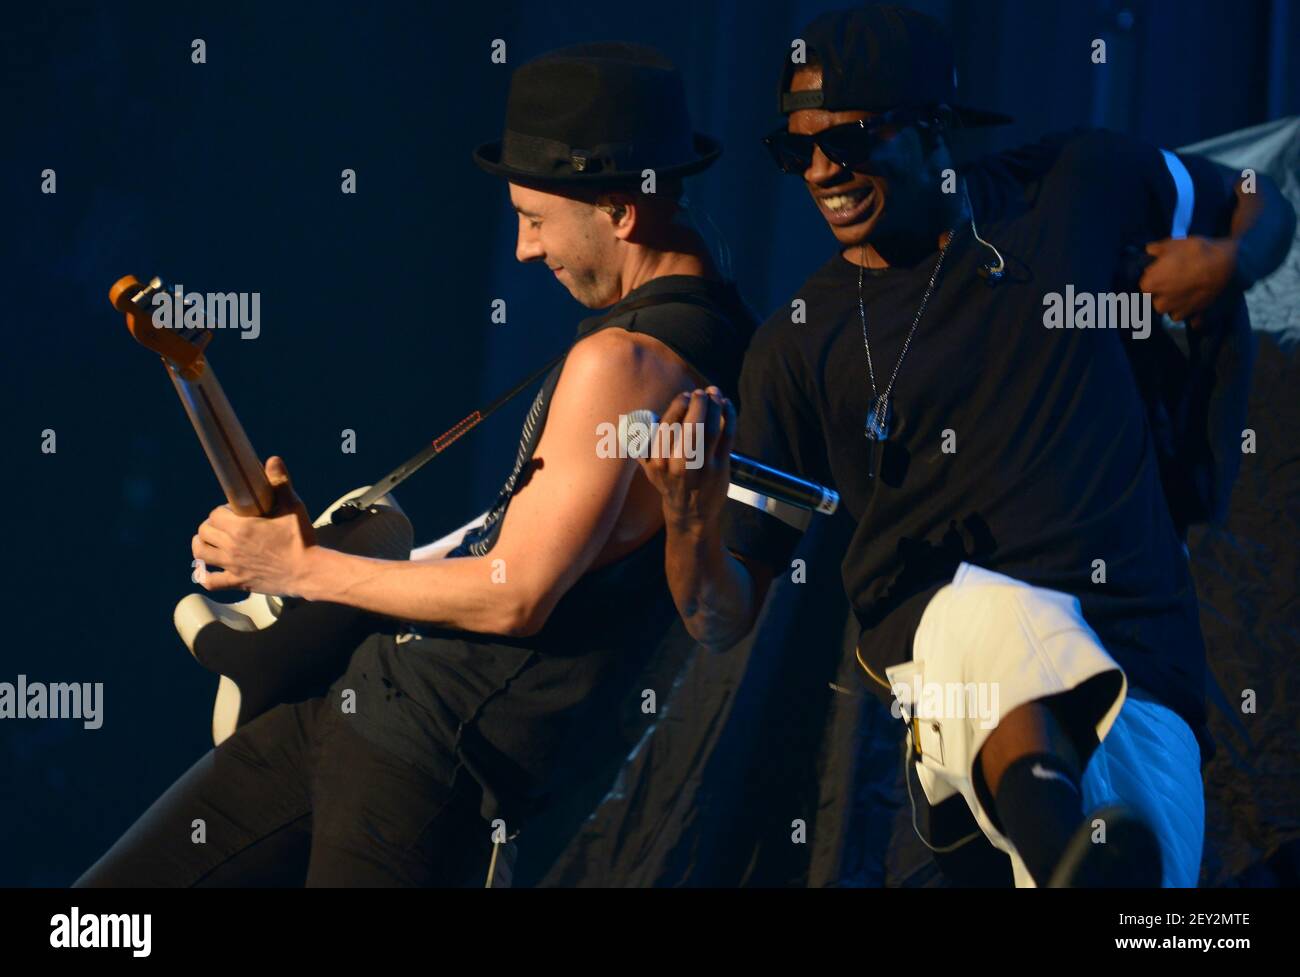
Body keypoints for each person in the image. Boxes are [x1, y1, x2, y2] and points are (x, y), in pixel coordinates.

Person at [638, 4, 1294, 887]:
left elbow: (1257, 198)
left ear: (932, 125)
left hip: (1142, 665)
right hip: (955, 672)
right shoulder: (801, 344)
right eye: (798, 151)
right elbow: (720, 616)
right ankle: (1065, 839)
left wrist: (1229, 264)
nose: (824, 170)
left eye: (854, 138)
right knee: (991, 612)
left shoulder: (1072, 186)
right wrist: (686, 517)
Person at [77, 43, 755, 887]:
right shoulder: (720, 345)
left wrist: (305, 566)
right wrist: (319, 553)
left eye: (535, 219)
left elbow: (515, 592)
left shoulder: (625, 360)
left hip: (423, 754)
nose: (521, 250)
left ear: (619, 211)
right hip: (365, 713)